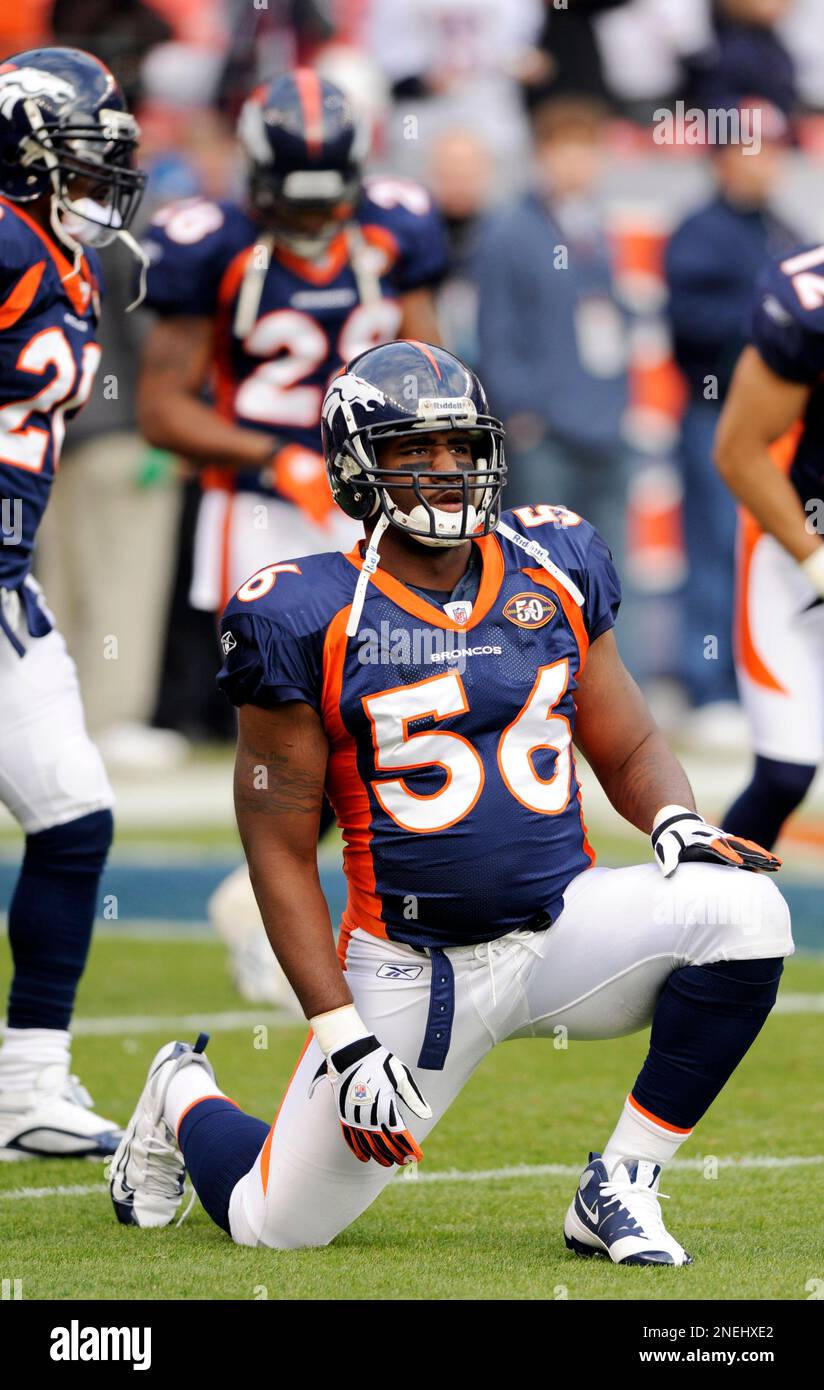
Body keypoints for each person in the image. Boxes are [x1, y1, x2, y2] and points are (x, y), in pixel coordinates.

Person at [109, 341, 791, 1264]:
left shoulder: (552, 560)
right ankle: (181, 1093)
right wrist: (343, 1037)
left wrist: (676, 821)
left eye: (462, 449)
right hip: (412, 974)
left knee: (746, 911)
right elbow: (275, 847)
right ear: (358, 466)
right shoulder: (302, 612)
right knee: (279, 1229)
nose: (446, 471)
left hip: (563, 926)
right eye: (415, 450)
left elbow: (625, 739)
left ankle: (621, 1184)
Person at [136, 68, 448, 1005]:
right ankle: (274, 912)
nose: (311, 224)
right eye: (291, 203)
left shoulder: (399, 230)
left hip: (373, 500)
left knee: (391, 702)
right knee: (295, 730)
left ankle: (291, 905)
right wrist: (282, 459)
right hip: (262, 510)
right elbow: (159, 407)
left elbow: (433, 369)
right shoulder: (212, 245)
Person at [0, 47, 146, 1156]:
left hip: (8, 583)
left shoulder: (61, 256)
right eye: (80, 148)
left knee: (75, 815)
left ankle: (25, 1085)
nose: (100, 172)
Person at [664, 103, 796, 747]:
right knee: (715, 545)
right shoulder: (700, 231)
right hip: (719, 415)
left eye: (772, 148)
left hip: (784, 425)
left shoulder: (783, 228)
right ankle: (708, 681)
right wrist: (768, 317)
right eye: (752, 148)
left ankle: (763, 679)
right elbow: (687, 322)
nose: (763, 161)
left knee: (773, 550)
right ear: (722, 156)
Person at [475, 96, 629, 565]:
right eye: (567, 150)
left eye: (588, 150)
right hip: (546, 435)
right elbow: (495, 332)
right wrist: (523, 417)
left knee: (605, 573)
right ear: (541, 156)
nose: (579, 164)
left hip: (603, 426)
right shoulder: (509, 232)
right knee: (542, 574)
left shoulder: (595, 229)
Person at [715, 242, 824, 849]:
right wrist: (815, 560)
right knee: (785, 773)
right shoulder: (810, 302)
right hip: (796, 551)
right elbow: (738, 451)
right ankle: (708, 929)